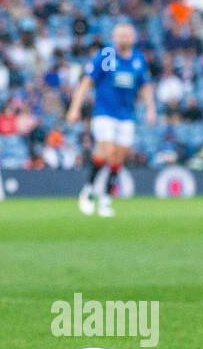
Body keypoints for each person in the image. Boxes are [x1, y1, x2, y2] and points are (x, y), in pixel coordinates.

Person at [66, 23, 155, 217]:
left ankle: (105, 198)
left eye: (127, 35)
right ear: (114, 37)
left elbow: (145, 86)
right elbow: (86, 82)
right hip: (105, 112)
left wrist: (150, 108)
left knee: (118, 157)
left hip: (127, 115)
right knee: (106, 152)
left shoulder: (138, 60)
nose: (123, 38)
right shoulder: (106, 56)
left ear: (133, 38)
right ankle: (88, 191)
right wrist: (75, 108)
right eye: (120, 35)